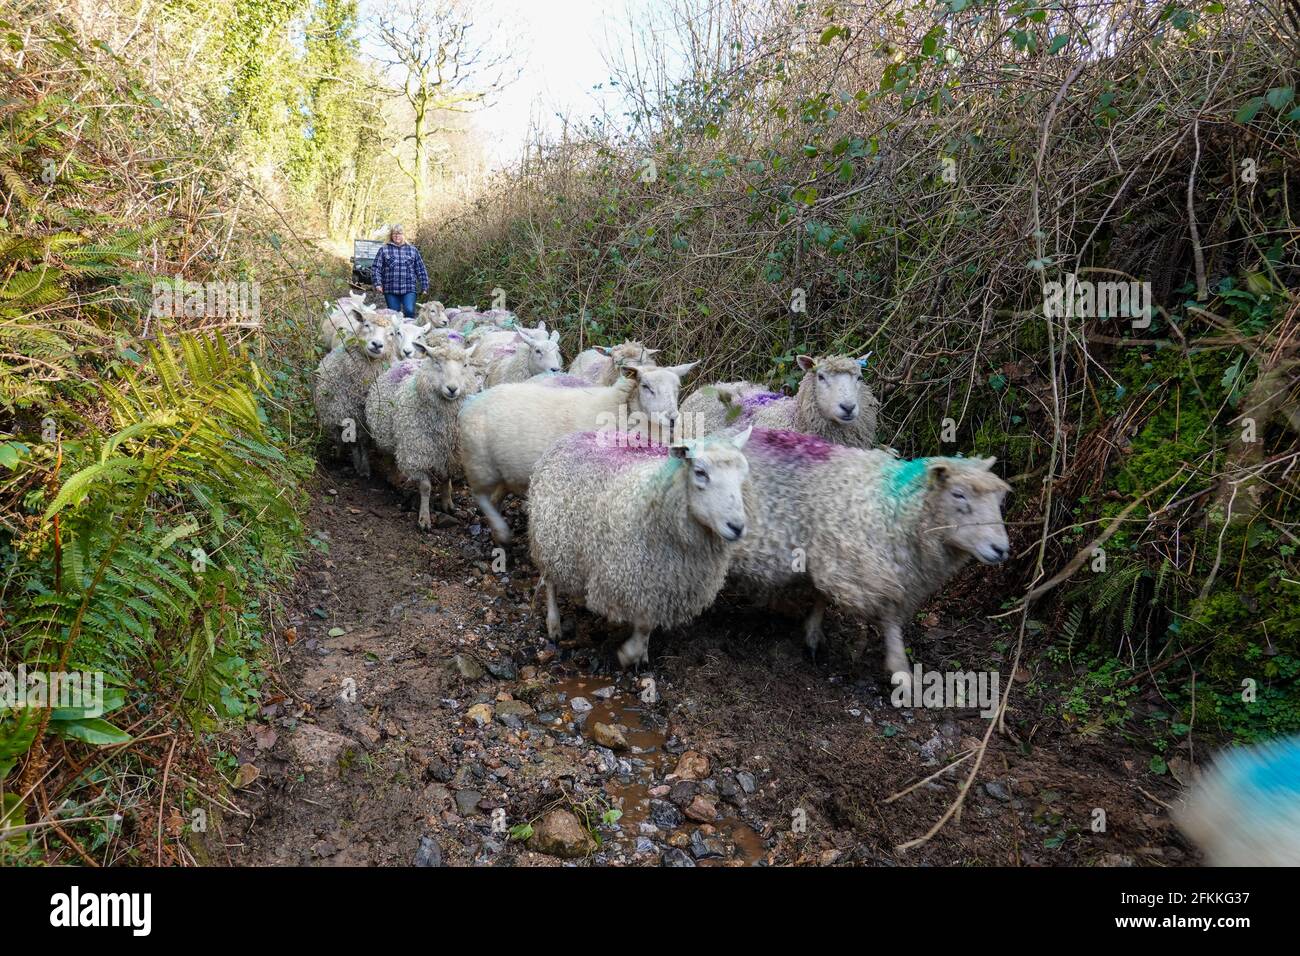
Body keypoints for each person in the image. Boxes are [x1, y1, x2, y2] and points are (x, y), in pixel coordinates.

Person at [371, 225, 429, 318]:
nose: (397, 236)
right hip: (390, 289)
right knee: (394, 315)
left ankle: (409, 330)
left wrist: (424, 286)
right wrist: (377, 284)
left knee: (409, 311)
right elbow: (376, 268)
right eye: (394, 234)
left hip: (409, 288)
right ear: (391, 235)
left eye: (399, 233)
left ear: (403, 235)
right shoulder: (384, 249)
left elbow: (420, 269)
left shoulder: (413, 250)